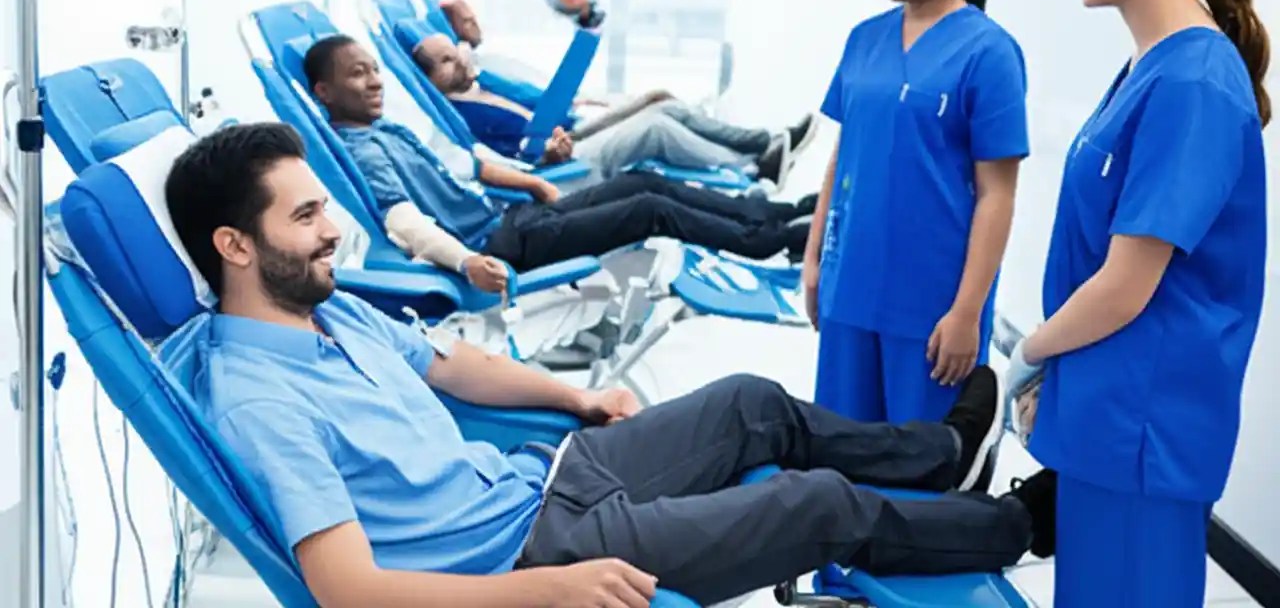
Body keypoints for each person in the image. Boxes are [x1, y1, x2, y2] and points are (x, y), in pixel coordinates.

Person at [164, 120, 1058, 607]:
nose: (332, 231)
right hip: (526, 556)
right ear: (235, 245)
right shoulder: (256, 399)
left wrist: (577, 397)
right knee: (813, 503)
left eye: (324, 207)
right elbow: (348, 592)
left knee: (749, 403)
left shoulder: (331, 308)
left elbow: (454, 367)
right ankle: (1017, 525)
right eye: (306, 217)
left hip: (542, 479)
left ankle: (940, 456)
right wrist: (546, 590)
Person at [1004, 0, 1270, 605]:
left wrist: (1030, 353)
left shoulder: (1193, 83)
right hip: (1110, 420)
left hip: (1145, 432)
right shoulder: (1155, 65)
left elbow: (1125, 286)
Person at [301, 35, 816, 277]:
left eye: (374, 70)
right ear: (323, 92)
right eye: (358, 74)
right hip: (500, 244)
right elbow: (403, 222)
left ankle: (777, 212)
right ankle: (769, 242)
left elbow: (473, 167)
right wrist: (468, 261)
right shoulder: (362, 149)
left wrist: (533, 183)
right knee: (650, 209)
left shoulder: (388, 129)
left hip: (513, 217)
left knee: (644, 183)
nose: (375, 81)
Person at [807, 0, 1029, 425]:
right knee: (838, 454)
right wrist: (814, 261)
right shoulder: (864, 41)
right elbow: (842, 158)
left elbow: (997, 195)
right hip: (850, 288)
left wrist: (967, 312)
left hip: (931, 306)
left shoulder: (989, 52)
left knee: (921, 464)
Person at [407, 31, 812, 187]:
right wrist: (548, 154)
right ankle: (751, 168)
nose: (457, 61)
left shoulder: (481, 81)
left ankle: (763, 143)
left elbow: (537, 99)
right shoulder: (461, 118)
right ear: (428, 81)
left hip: (569, 126)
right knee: (655, 128)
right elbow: (508, 161)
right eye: (445, 62)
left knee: (663, 104)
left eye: (453, 53)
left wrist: (465, 53)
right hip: (560, 161)